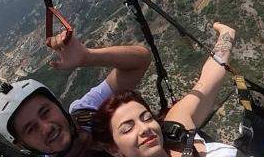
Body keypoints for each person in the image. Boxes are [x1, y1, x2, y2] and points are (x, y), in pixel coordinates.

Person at [0, 31, 154, 156]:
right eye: (30, 129)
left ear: (58, 106)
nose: (46, 127)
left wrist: (88, 57)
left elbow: (140, 61)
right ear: (22, 145)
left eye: (45, 112)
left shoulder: (85, 112)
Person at [91, 23, 238, 157]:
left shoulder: (177, 128)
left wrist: (227, 34)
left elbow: (209, 79)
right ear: (113, 149)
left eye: (147, 118)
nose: (144, 128)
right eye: (128, 129)